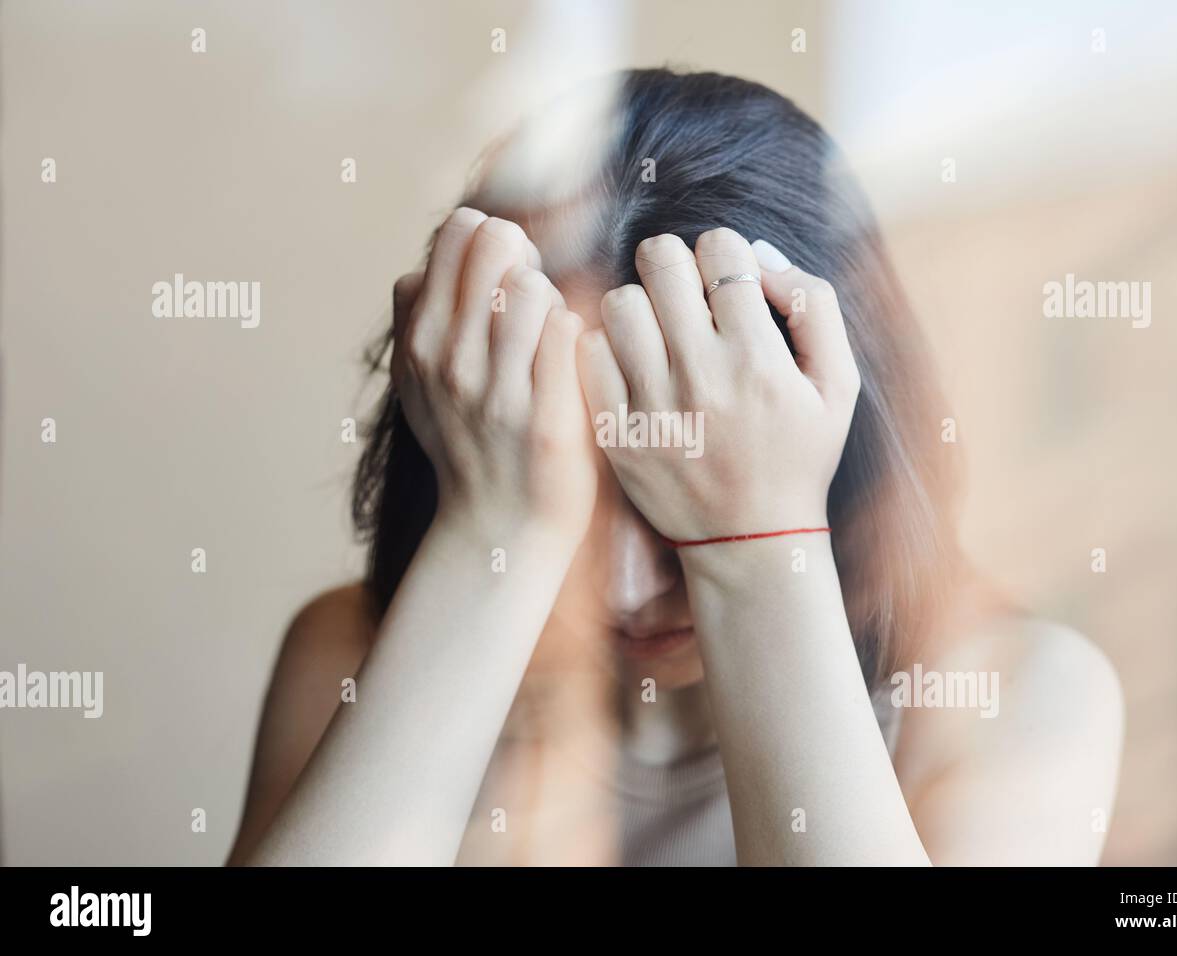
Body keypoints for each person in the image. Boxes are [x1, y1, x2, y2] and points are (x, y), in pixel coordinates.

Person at [227, 69, 1123, 866]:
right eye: (569, 486)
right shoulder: (351, 648)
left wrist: (758, 549)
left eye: (670, 493)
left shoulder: (1018, 697)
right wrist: (487, 537)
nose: (622, 589)